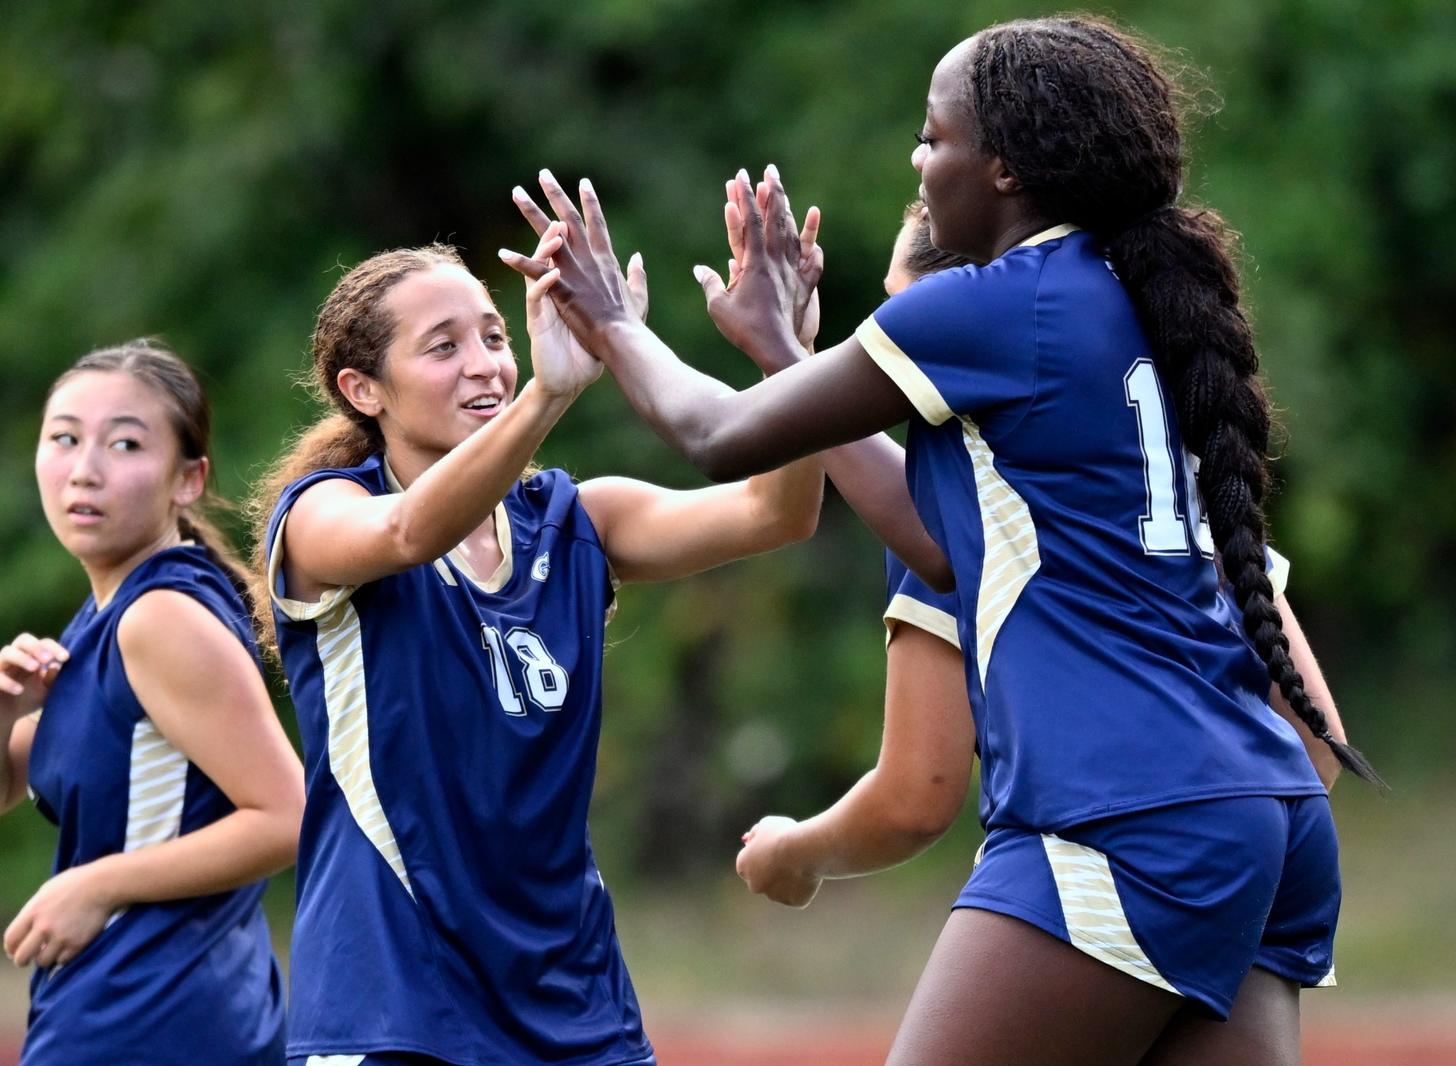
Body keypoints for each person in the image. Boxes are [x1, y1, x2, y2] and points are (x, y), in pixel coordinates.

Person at [504, 15, 1379, 1063]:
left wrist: (611, 318)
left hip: (1123, 813)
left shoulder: (995, 306)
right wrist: (786, 347)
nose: (918, 163)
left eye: (933, 136)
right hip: (1267, 815)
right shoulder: (1143, 302)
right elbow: (945, 547)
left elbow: (712, 433)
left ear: (1004, 164)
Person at [249, 234, 823, 1064]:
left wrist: (787, 354)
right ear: (362, 389)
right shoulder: (322, 516)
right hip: (395, 1006)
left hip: (574, 1004)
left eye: (492, 336)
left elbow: (779, 513)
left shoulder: (574, 519)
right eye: (443, 347)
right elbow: (410, 530)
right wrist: (546, 399)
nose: (484, 362)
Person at [735, 205, 1346, 915]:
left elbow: (914, 799)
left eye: (903, 315)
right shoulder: (1149, 470)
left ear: (963, 323)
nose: (885, 349)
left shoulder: (974, 502)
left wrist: (791, 852)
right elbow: (1315, 744)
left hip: (1112, 856)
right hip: (1267, 855)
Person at [0, 340, 303, 1066]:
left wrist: (96, 884)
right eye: (64, 438)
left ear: (188, 480)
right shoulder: (108, 618)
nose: (85, 469)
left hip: (154, 1019)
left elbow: (288, 817)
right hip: (143, 1010)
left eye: (126, 443)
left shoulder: (158, 619)